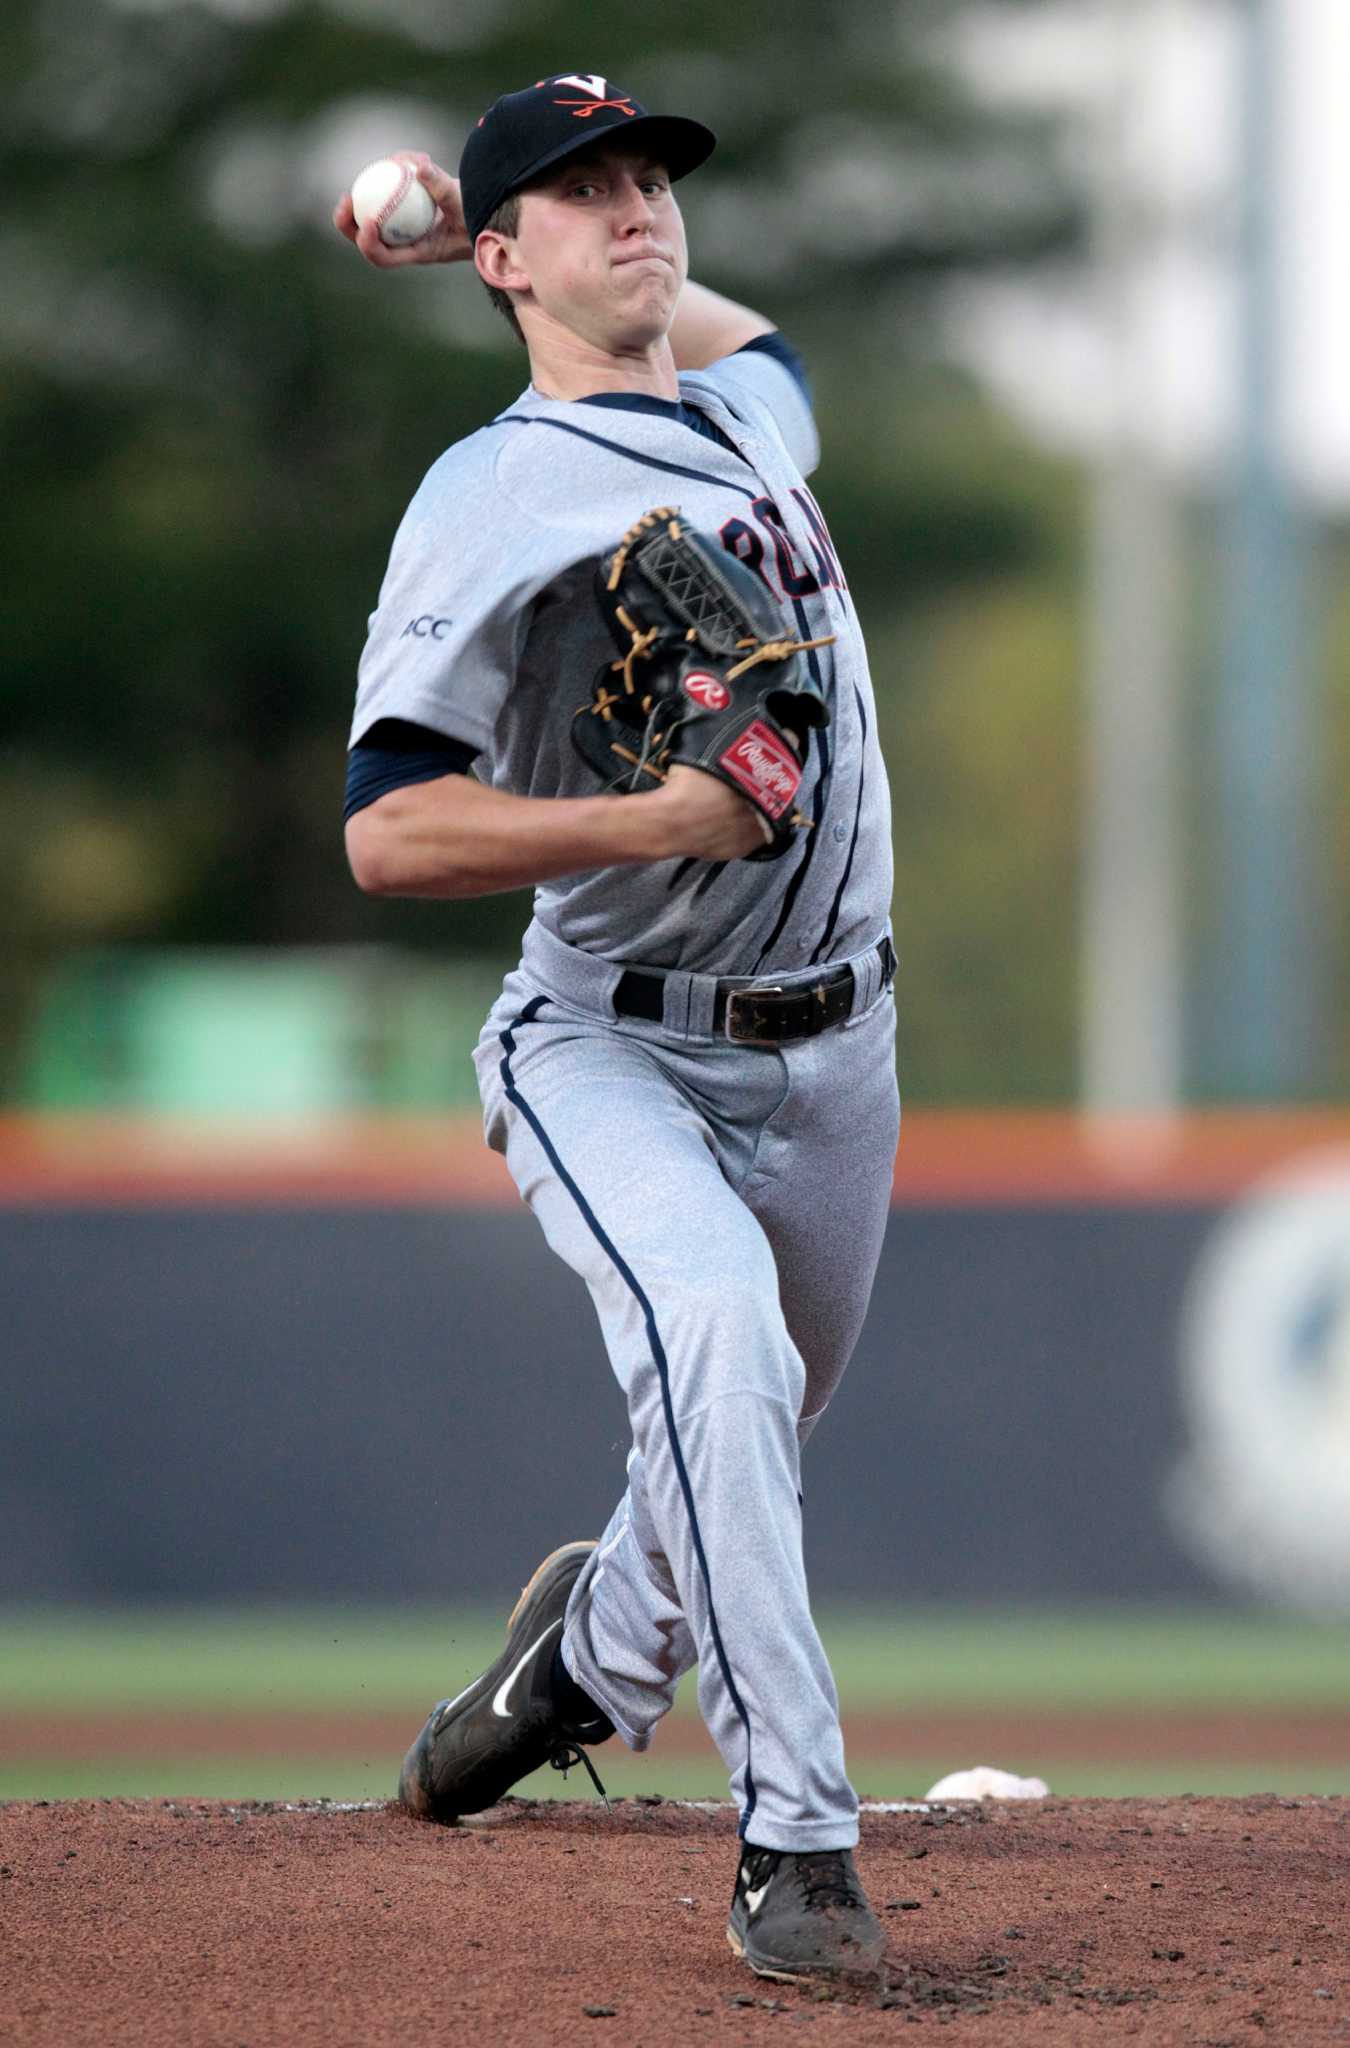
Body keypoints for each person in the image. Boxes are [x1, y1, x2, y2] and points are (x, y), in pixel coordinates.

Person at [336, 72, 899, 1983]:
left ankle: (578, 1661)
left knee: (749, 1427)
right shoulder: (489, 494)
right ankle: (797, 1845)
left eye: (649, 175)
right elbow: (388, 829)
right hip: (612, 1041)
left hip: (838, 1058)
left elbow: (767, 337)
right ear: (511, 254)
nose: (637, 205)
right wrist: (649, 821)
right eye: (582, 190)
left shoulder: (740, 415)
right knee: (721, 1353)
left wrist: (486, 252)